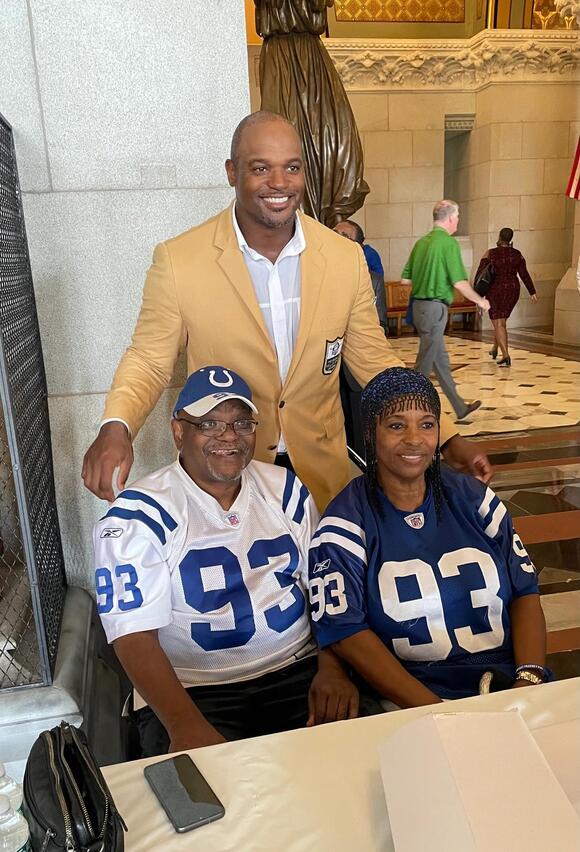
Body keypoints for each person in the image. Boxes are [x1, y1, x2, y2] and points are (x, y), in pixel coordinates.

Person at [82, 113, 491, 512]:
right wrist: (116, 427)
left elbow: (376, 364)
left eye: (291, 168)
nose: (279, 183)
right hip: (228, 473)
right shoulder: (179, 261)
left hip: (321, 477)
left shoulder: (343, 259)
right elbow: (149, 360)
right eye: (261, 168)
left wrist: (447, 439)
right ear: (231, 171)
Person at [94, 366, 372, 758]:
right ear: (178, 431)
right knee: (211, 806)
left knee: (359, 765)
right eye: (209, 423)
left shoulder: (284, 488)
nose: (229, 436)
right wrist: (184, 724)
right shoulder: (138, 514)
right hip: (193, 690)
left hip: (297, 670)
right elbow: (132, 634)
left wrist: (334, 668)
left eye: (242, 422)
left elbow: (325, 591)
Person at [308, 367, 549, 707]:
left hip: (505, 683)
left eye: (426, 424)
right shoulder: (346, 520)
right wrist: (437, 711)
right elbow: (346, 630)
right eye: (395, 425)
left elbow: (524, 590)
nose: (414, 439)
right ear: (369, 433)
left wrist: (528, 680)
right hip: (410, 695)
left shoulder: (473, 498)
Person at [401, 200, 490, 422]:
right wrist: (480, 301)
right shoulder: (448, 244)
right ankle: (407, 409)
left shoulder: (421, 243)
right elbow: (460, 283)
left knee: (440, 361)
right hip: (434, 309)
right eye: (458, 216)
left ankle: (460, 408)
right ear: (450, 218)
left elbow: (405, 280)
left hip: (419, 307)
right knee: (424, 363)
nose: (458, 220)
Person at [474, 227, 537, 367]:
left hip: (495, 289)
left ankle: (506, 356)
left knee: (499, 323)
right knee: (501, 321)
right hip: (512, 290)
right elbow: (524, 274)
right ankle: (495, 348)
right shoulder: (517, 254)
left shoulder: (490, 253)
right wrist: (532, 291)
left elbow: (480, 275)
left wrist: (477, 296)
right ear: (511, 239)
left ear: (499, 237)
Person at [334, 220, 387, 331]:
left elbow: (381, 324)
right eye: (333, 233)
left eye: (344, 236)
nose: (335, 239)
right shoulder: (319, 276)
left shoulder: (374, 281)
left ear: (357, 247)